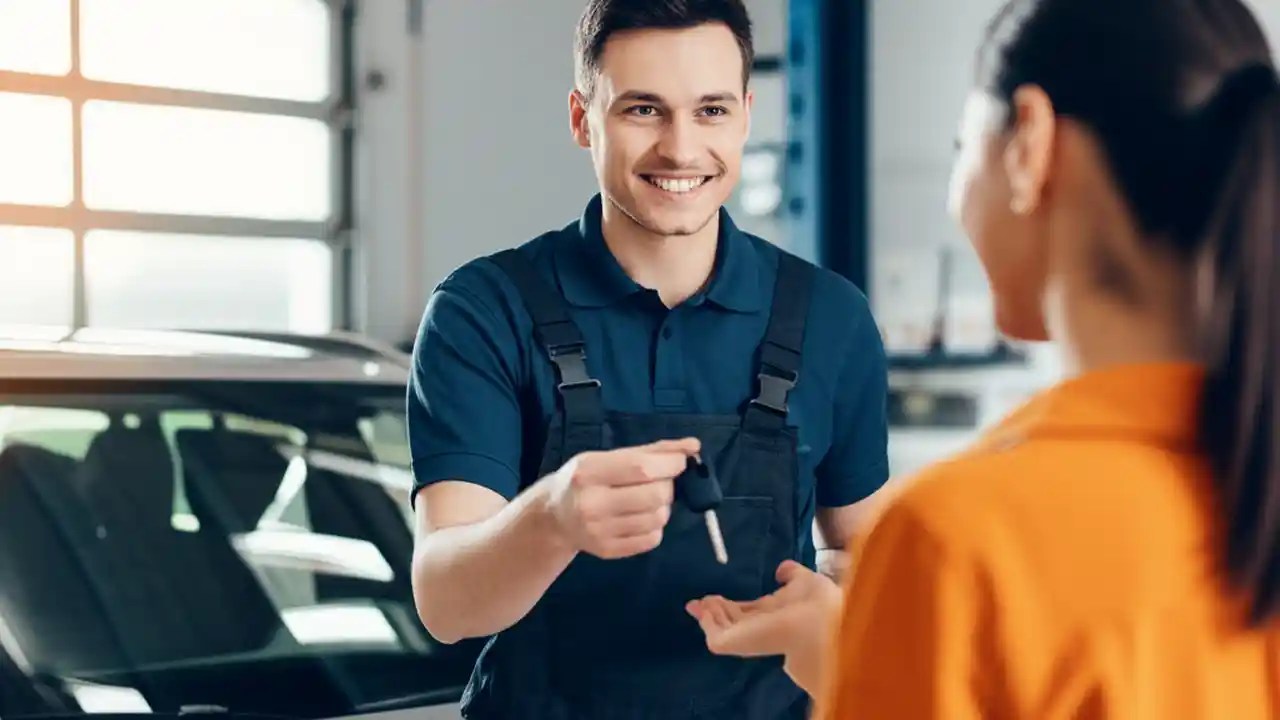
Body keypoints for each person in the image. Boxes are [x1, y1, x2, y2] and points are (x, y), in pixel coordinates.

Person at [688, 0, 1280, 716]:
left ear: (1030, 143)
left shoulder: (959, 543)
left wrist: (851, 665)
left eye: (962, 145)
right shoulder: (1244, 491)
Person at [405, 0, 891, 717]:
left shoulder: (831, 318)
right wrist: (553, 520)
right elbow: (446, 603)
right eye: (643, 110)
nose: (681, 149)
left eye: (712, 111)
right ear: (582, 118)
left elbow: (862, 557)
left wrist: (838, 618)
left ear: (748, 115)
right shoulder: (484, 310)